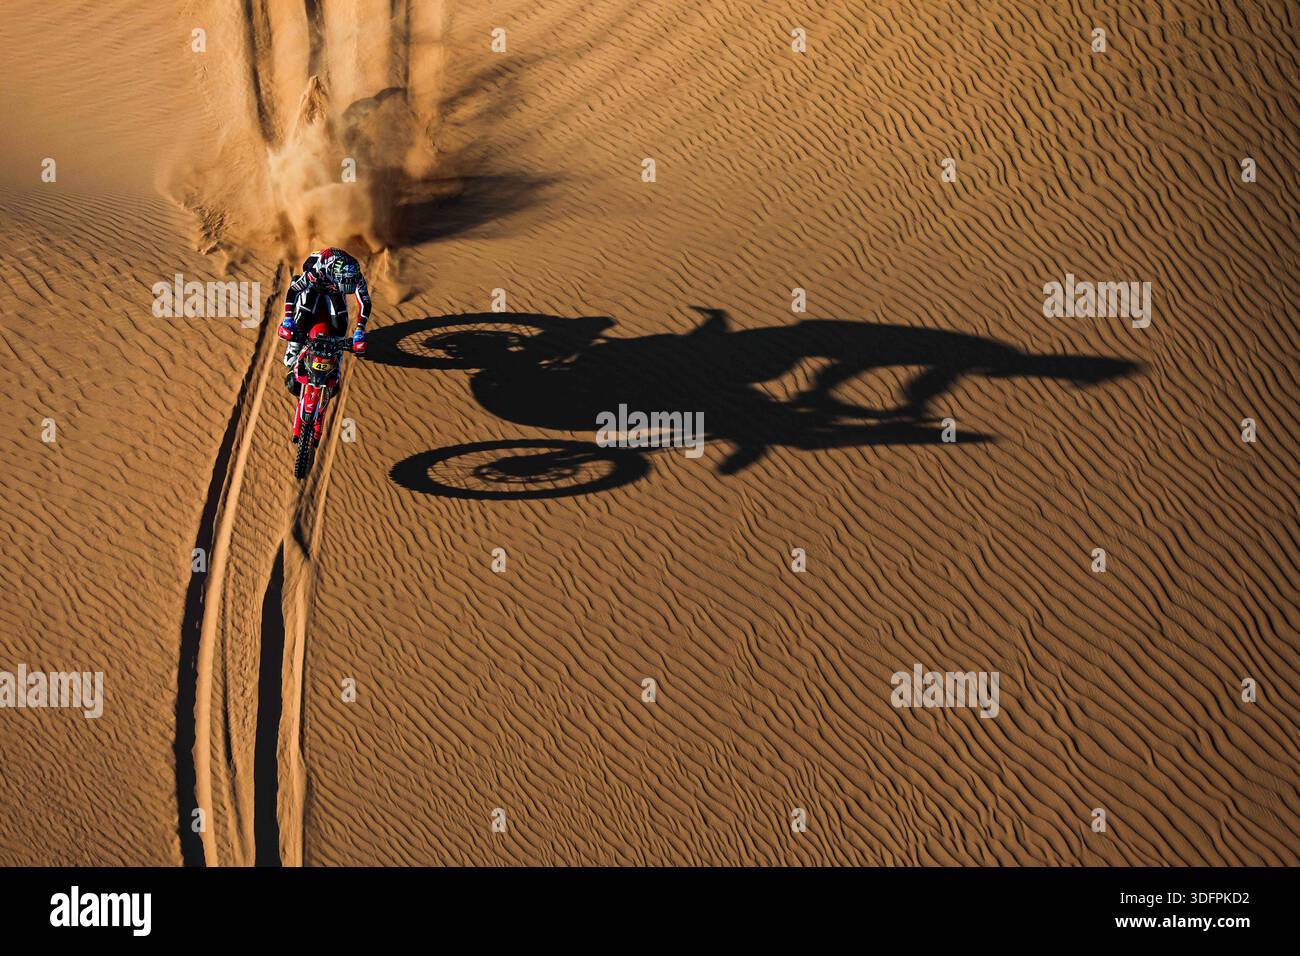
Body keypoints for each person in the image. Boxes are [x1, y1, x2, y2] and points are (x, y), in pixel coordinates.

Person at [278, 247, 370, 391]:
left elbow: (365, 302)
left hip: (334, 291)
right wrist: (288, 319)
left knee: (340, 327)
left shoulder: (355, 275)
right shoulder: (318, 270)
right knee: (303, 316)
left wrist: (360, 330)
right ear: (336, 275)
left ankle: (337, 354)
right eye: (345, 284)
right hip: (315, 285)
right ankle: (294, 347)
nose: (348, 287)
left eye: (350, 285)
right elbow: (294, 290)